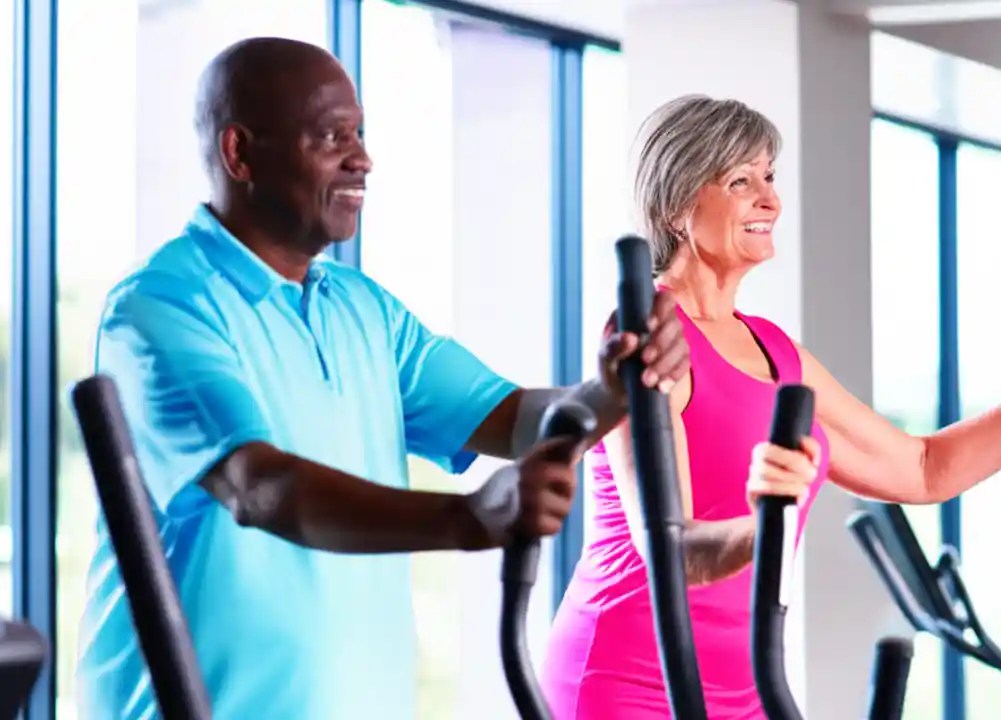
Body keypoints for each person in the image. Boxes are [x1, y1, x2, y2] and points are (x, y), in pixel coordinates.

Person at [73, 38, 690, 720]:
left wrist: (616, 386)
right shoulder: (163, 305)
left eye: (360, 133)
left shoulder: (361, 309)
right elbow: (259, 486)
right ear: (239, 153)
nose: (362, 158)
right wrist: (469, 516)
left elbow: (514, 420)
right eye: (332, 136)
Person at [539, 94, 1001, 719]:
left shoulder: (777, 353)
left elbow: (923, 469)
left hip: (747, 687)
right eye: (740, 181)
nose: (770, 200)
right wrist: (767, 527)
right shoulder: (652, 331)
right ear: (677, 205)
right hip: (630, 678)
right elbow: (667, 545)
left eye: (770, 177)